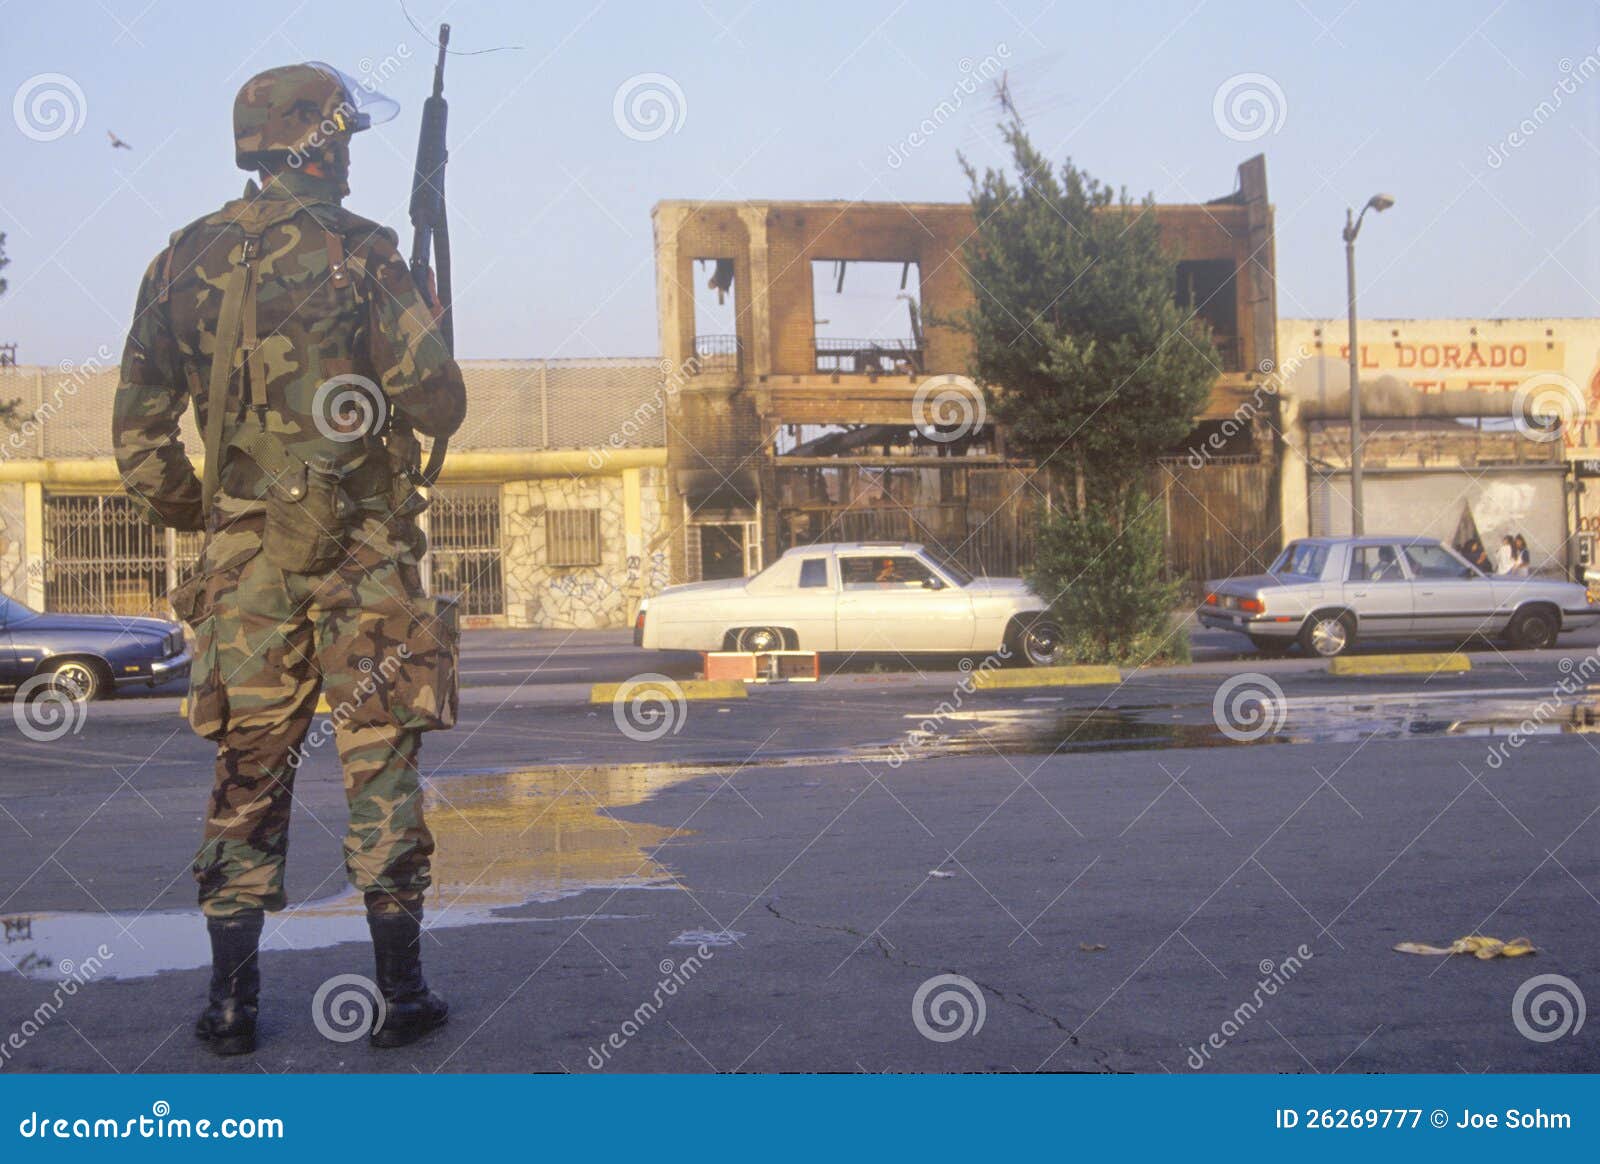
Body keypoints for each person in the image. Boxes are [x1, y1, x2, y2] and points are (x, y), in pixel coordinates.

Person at [112, 62, 466, 1055]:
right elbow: (436, 403)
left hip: (246, 564)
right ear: (316, 140)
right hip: (365, 555)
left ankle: (231, 1008)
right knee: (381, 763)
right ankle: (400, 997)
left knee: (248, 768)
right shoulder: (368, 253)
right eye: (343, 132)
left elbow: (139, 439)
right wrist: (428, 320)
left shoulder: (178, 260)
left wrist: (221, 517)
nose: (350, 148)